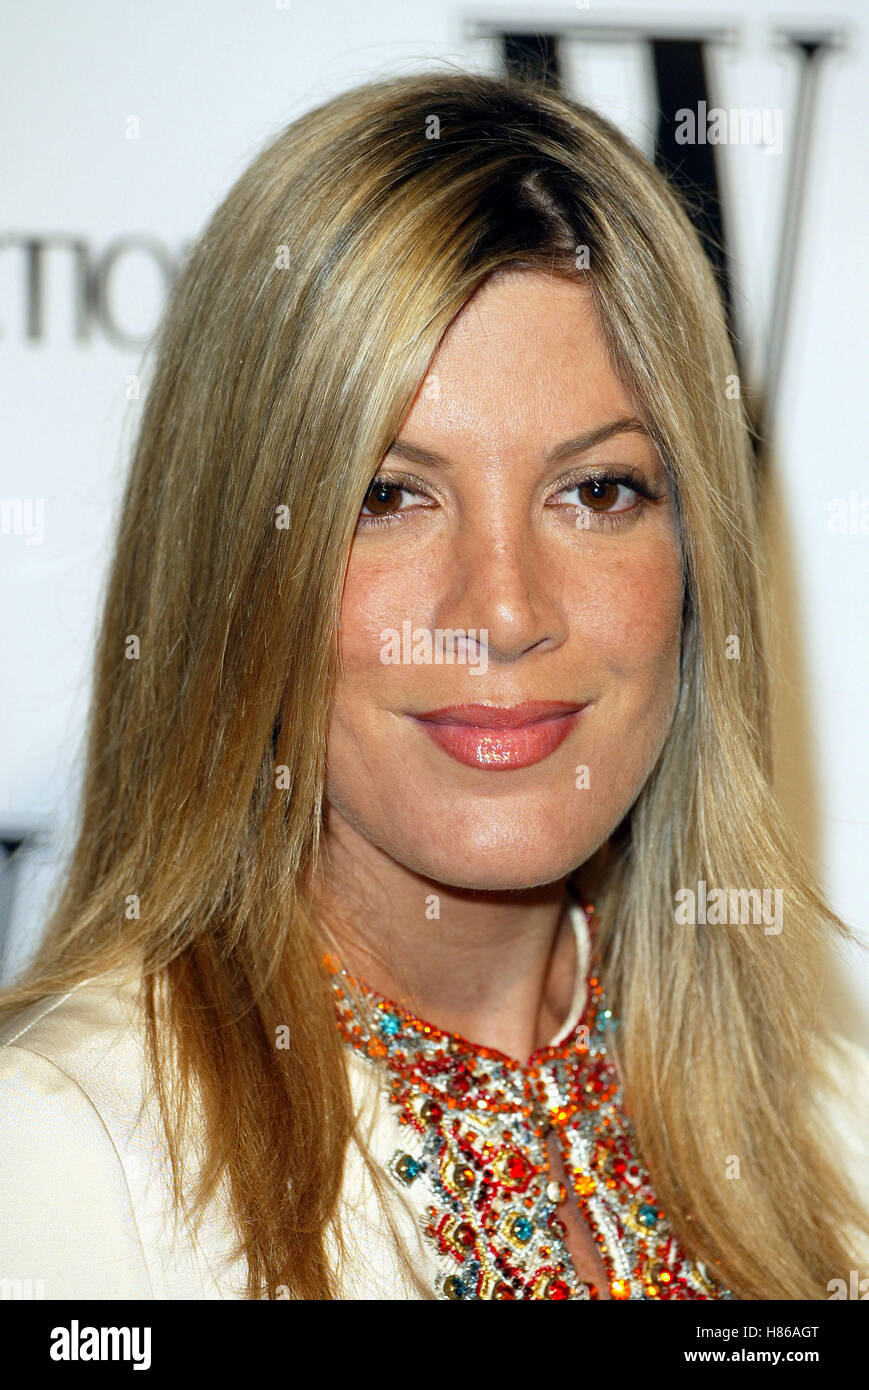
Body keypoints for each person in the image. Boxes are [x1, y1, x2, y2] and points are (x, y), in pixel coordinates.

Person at [0, 69, 866, 1302]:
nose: (502, 612)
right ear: (233, 562)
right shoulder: (61, 1160)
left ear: (694, 562)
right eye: (387, 496)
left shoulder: (835, 1136)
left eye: (596, 491)